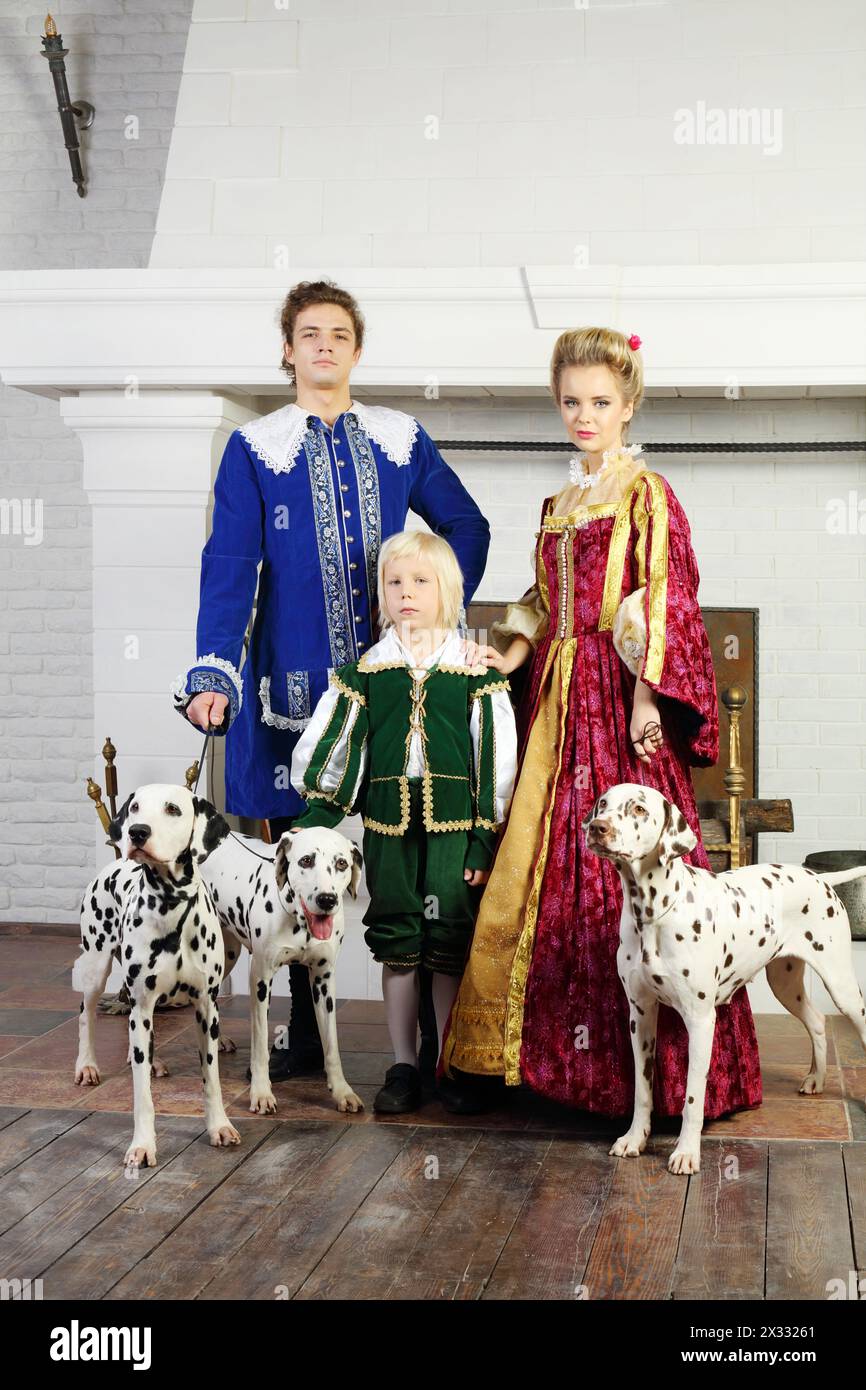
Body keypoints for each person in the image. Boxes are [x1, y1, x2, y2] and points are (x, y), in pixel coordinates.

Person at [171, 280, 490, 1087]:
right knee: (289, 868)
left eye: (339, 334)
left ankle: (422, 1055)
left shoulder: (398, 438)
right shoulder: (255, 448)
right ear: (287, 350)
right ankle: (303, 1044)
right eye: (308, 333)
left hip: (394, 693)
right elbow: (231, 563)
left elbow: (467, 526)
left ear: (357, 349)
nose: (323, 346)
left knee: (413, 860)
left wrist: (436, 620)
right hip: (286, 693)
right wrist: (216, 667)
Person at [444, 327, 763, 1121]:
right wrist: (515, 656)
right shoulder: (557, 506)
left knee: (619, 865)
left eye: (600, 402)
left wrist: (647, 696)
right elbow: (542, 599)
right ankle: (531, 1068)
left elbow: (665, 594)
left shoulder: (646, 494)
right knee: (537, 865)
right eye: (572, 402)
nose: (585, 415)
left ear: (628, 405)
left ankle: (630, 1084)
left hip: (618, 698)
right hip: (557, 696)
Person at [290, 530, 518, 1113]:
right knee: (399, 943)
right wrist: (314, 818)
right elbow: (341, 753)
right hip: (388, 833)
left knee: (446, 944)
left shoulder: (473, 673)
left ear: (448, 592)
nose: (406, 593)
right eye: (395, 582)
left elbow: (494, 758)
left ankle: (450, 1062)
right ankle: (402, 1066)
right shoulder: (367, 673)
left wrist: (481, 841)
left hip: (452, 833)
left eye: (421, 581)